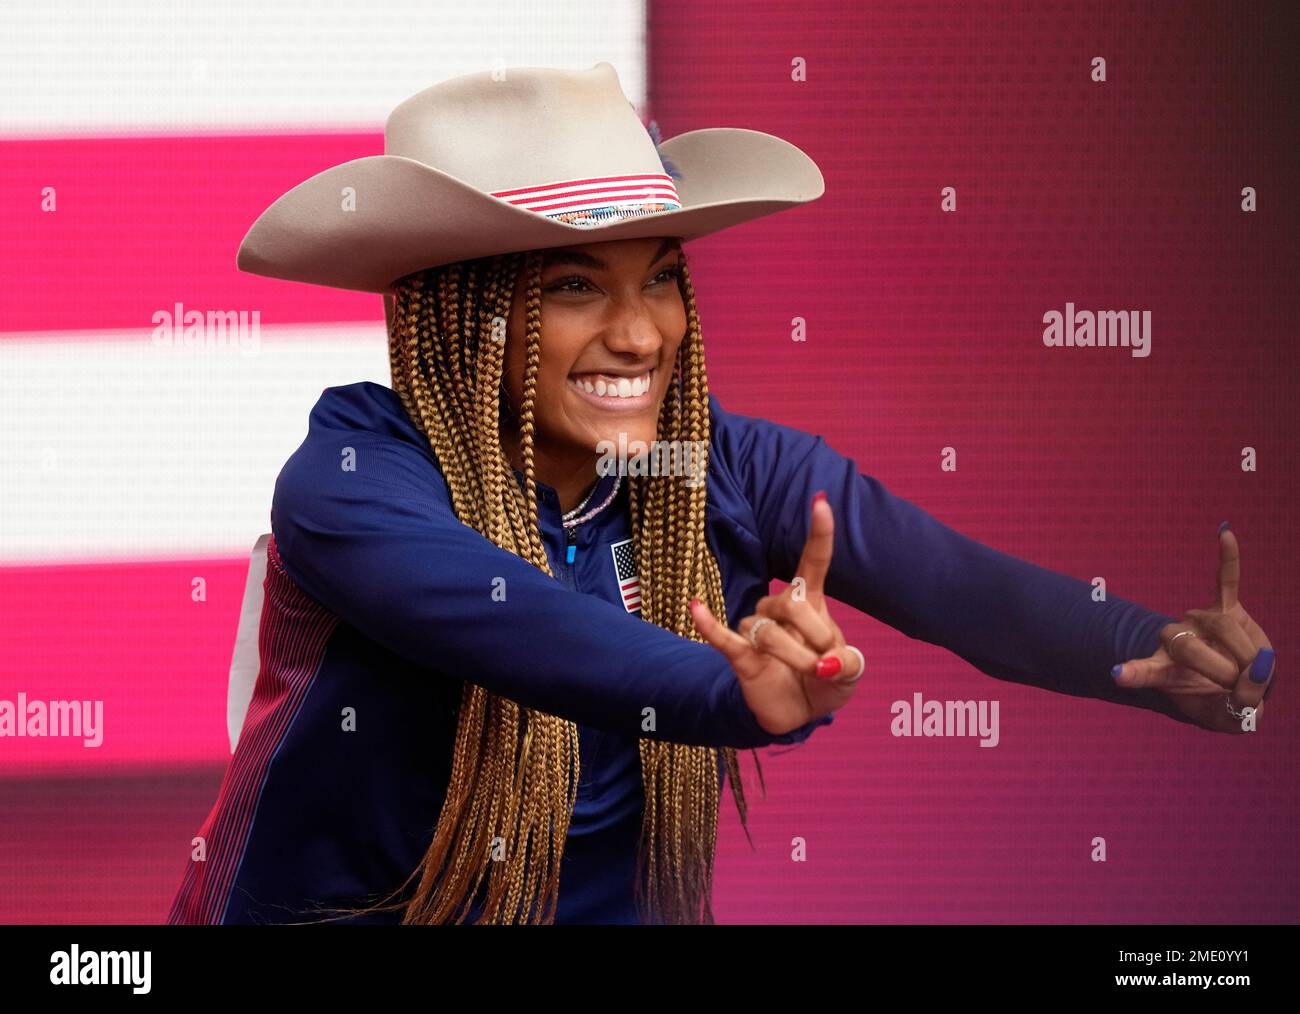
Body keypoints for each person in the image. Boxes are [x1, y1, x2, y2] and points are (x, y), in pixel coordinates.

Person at [166, 63, 1276, 927]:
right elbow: (514, 625)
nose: (642, 331)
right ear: (464, 315)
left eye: (659, 277)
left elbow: (959, 587)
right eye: (571, 286)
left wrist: (1153, 650)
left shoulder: (714, 470)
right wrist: (727, 694)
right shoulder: (356, 472)